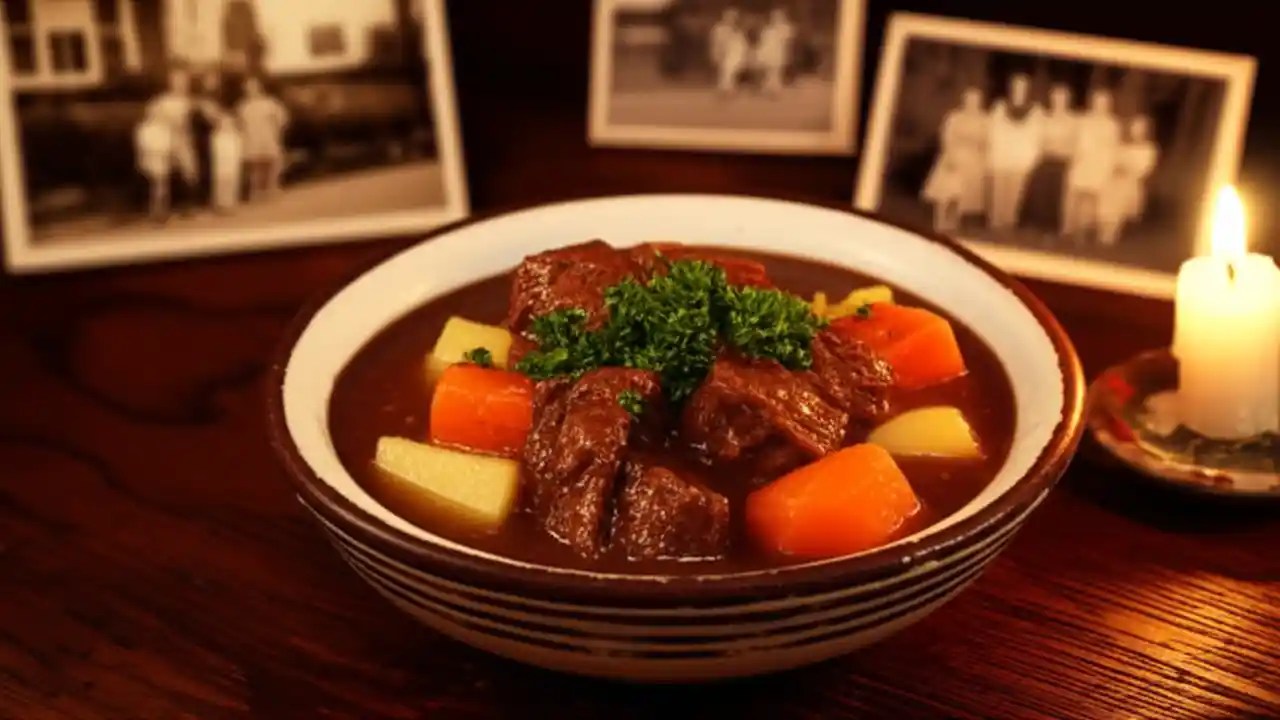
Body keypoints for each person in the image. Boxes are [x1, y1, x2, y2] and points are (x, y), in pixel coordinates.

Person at [921, 87, 989, 233]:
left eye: (976, 100)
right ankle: (939, 222)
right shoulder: (954, 117)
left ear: (980, 102)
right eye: (969, 100)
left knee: (963, 195)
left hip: (973, 160)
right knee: (946, 192)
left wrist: (981, 152)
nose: (972, 103)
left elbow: (986, 139)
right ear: (964, 101)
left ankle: (953, 224)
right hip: (954, 157)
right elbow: (946, 137)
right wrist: (950, 155)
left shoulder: (983, 119)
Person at [986, 73, 1044, 232]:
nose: (1019, 89)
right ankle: (994, 224)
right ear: (1011, 88)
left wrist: (1031, 157)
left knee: (1015, 194)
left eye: (1023, 86)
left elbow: (1037, 137)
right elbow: (993, 133)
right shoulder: (1000, 107)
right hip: (1002, 156)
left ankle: (1008, 224)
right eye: (1016, 86)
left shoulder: (1035, 111)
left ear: (1027, 89)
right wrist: (993, 154)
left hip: (1020, 158)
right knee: (998, 192)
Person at [1063, 88, 1121, 242]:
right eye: (1097, 102)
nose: (1099, 106)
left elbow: (1112, 148)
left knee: (1089, 201)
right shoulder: (1084, 120)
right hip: (1081, 163)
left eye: (1103, 103)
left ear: (1108, 105)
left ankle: (1082, 232)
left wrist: (1106, 167)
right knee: (1074, 198)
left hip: (1098, 166)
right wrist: (1075, 157)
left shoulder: (1112, 125)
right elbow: (1074, 141)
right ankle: (1068, 230)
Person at [1022, 84, 1077, 234]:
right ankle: (1036, 224)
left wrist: (1061, 148)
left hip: (1061, 161)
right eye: (1055, 98)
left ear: (1067, 100)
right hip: (1046, 159)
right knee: (1039, 190)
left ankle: (1052, 227)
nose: (1058, 102)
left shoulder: (1072, 120)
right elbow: (1040, 140)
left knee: (1056, 194)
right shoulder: (1045, 117)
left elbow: (1073, 143)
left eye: (1061, 99)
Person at [1097, 115, 1159, 246]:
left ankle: (1111, 237)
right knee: (1105, 207)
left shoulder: (1148, 149)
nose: (1136, 131)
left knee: (1118, 210)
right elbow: (1112, 161)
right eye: (1134, 127)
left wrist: (1127, 167)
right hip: (1114, 182)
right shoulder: (1122, 146)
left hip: (1129, 184)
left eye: (1140, 128)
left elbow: (1143, 169)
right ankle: (1102, 236)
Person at [147, 68, 200, 215]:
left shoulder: (190, 100)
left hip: (183, 141)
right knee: (161, 177)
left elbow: (205, 111)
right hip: (165, 141)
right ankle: (159, 209)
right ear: (170, 83)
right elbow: (151, 118)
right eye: (177, 81)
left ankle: (187, 207)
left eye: (183, 81)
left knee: (190, 174)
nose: (181, 84)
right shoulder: (161, 101)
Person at [236, 77, 290, 200]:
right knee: (255, 168)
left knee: (272, 164)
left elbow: (282, 119)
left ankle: (272, 189)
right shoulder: (243, 107)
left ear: (259, 88)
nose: (250, 90)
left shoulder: (270, 103)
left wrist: (276, 131)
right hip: (252, 139)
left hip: (268, 137)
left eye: (253, 87)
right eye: (248, 88)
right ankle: (256, 192)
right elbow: (239, 125)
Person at [134, 102, 173, 222]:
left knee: (162, 185)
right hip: (151, 159)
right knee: (158, 185)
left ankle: (160, 210)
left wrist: (167, 153)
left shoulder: (165, 128)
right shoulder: (144, 128)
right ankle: (156, 211)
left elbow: (169, 143)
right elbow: (142, 145)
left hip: (162, 158)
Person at [754, 7, 795, 97]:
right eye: (774, 17)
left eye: (778, 17)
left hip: (778, 51)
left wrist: (779, 30)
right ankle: (768, 88)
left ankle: (774, 89)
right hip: (767, 52)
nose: (775, 19)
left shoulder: (785, 28)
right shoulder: (768, 29)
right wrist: (760, 52)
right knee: (769, 71)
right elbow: (763, 41)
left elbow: (787, 39)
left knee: (776, 71)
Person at [210, 112, 244, 213]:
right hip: (220, 164)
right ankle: (220, 203)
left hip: (232, 163)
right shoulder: (216, 136)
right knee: (220, 182)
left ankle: (230, 203)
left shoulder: (236, 136)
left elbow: (239, 150)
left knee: (232, 182)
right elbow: (214, 151)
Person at [709, 7, 747, 96]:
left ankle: (728, 88)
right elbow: (716, 42)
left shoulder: (737, 31)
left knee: (730, 71)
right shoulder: (719, 29)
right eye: (729, 17)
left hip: (734, 54)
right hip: (724, 53)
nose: (731, 19)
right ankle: (726, 89)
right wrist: (716, 52)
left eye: (733, 17)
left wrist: (744, 55)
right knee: (725, 71)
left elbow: (742, 44)